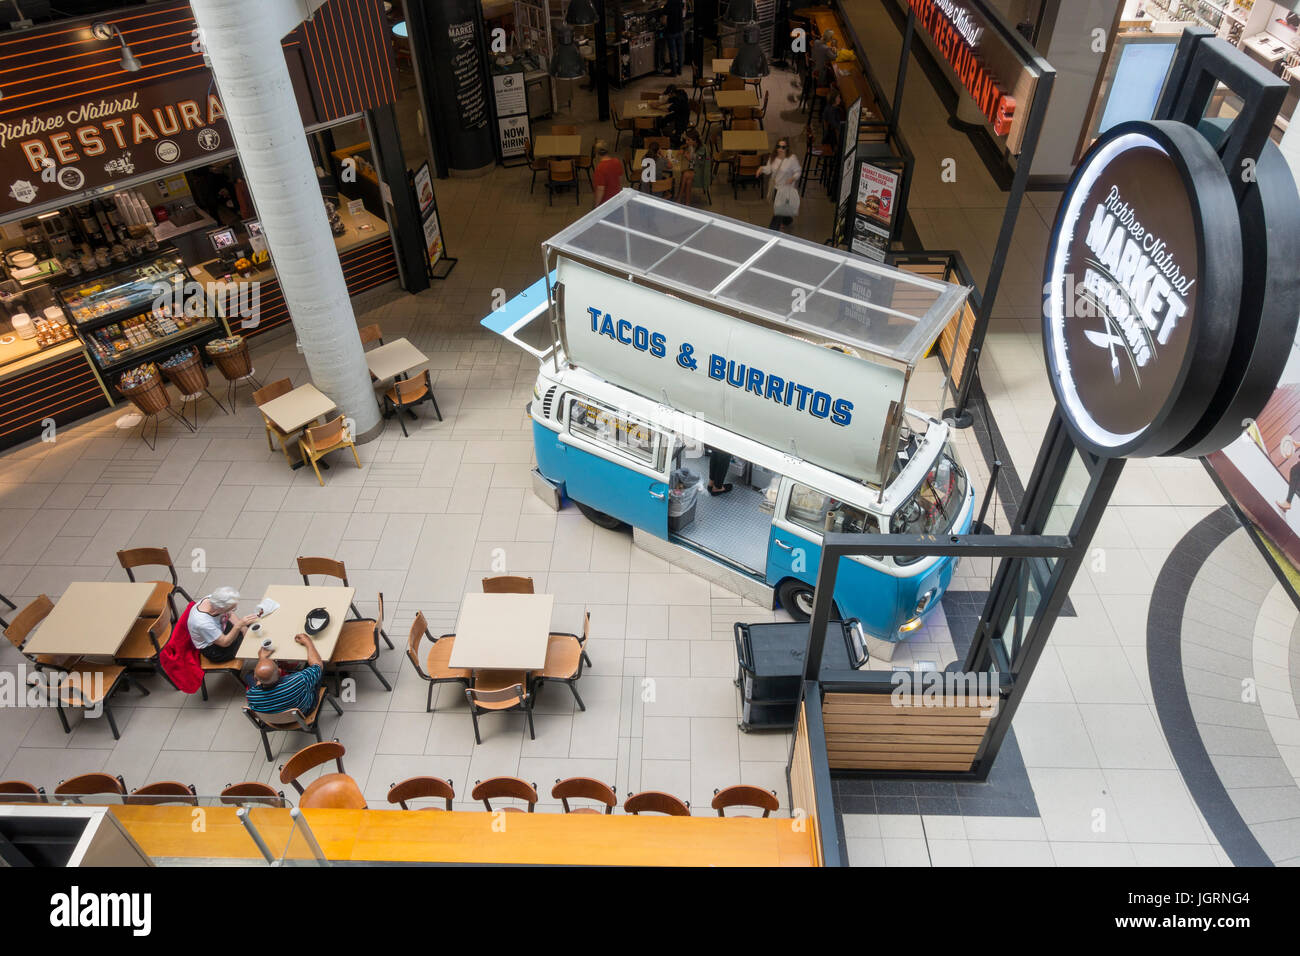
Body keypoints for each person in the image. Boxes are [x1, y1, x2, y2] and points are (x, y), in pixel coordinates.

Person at [246, 632, 325, 715]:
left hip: (275, 721)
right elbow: (318, 665)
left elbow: (259, 686)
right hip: (305, 712)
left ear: (256, 679)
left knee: (248, 676)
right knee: (320, 666)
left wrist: (262, 659)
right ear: (280, 672)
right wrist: (308, 642)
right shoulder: (299, 680)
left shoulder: (252, 696)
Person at [188, 586, 259, 663]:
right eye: (232, 608)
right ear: (220, 609)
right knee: (252, 643)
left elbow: (229, 614)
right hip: (214, 649)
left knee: (254, 626)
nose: (233, 610)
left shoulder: (214, 600)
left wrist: (244, 629)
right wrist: (238, 626)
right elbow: (224, 643)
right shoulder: (203, 623)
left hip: (221, 629)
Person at [759, 138, 802, 232]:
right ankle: (787, 220)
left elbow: (798, 171)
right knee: (781, 209)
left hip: (786, 189)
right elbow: (769, 169)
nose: (780, 149)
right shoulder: (773, 157)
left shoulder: (791, 159)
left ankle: (772, 231)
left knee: (778, 211)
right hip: (776, 188)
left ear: (787, 148)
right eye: (778, 146)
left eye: (783, 147)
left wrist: (793, 178)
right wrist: (761, 169)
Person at [676, 127, 710, 205]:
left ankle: (679, 198)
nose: (686, 142)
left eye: (688, 140)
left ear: (694, 140)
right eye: (686, 140)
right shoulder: (694, 145)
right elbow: (691, 154)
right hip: (695, 169)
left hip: (701, 173)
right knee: (688, 181)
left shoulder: (702, 149)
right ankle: (687, 203)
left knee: (685, 174)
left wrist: (685, 155)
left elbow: (696, 162)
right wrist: (684, 151)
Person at [592, 140, 623, 206]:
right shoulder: (616, 161)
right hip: (616, 198)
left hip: (606, 202)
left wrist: (597, 205)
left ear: (596, 153)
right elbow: (620, 179)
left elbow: (600, 189)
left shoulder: (600, 168)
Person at [662, 0, 685, 76]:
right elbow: (684, 11)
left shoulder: (668, 5)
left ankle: (673, 72)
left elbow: (664, 20)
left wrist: (664, 26)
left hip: (671, 31)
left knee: (672, 52)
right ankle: (680, 70)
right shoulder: (680, 2)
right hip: (680, 30)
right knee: (680, 51)